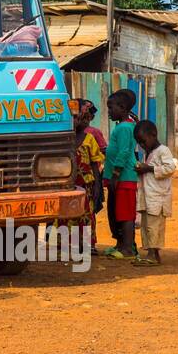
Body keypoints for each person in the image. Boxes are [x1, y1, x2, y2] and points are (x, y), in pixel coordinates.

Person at [134, 120, 178, 266]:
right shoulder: (149, 153)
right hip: (148, 197)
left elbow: (170, 168)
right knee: (147, 226)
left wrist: (149, 169)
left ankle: (153, 254)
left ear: (153, 135)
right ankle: (151, 254)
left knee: (154, 227)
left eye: (143, 141)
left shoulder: (163, 150)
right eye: (139, 143)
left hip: (157, 198)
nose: (142, 145)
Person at [100, 91, 139, 259]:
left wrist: (115, 174)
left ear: (122, 108)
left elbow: (123, 151)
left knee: (125, 214)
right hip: (119, 178)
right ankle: (120, 245)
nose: (109, 111)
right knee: (117, 212)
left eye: (111, 108)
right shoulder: (124, 126)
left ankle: (128, 249)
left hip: (124, 177)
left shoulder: (124, 128)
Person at [68, 98, 105, 252]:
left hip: (86, 184)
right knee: (67, 215)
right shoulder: (64, 139)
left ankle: (89, 244)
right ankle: (69, 244)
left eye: (81, 118)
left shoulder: (90, 138)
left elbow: (95, 165)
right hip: (68, 185)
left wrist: (97, 185)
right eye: (74, 118)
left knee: (87, 214)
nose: (77, 122)